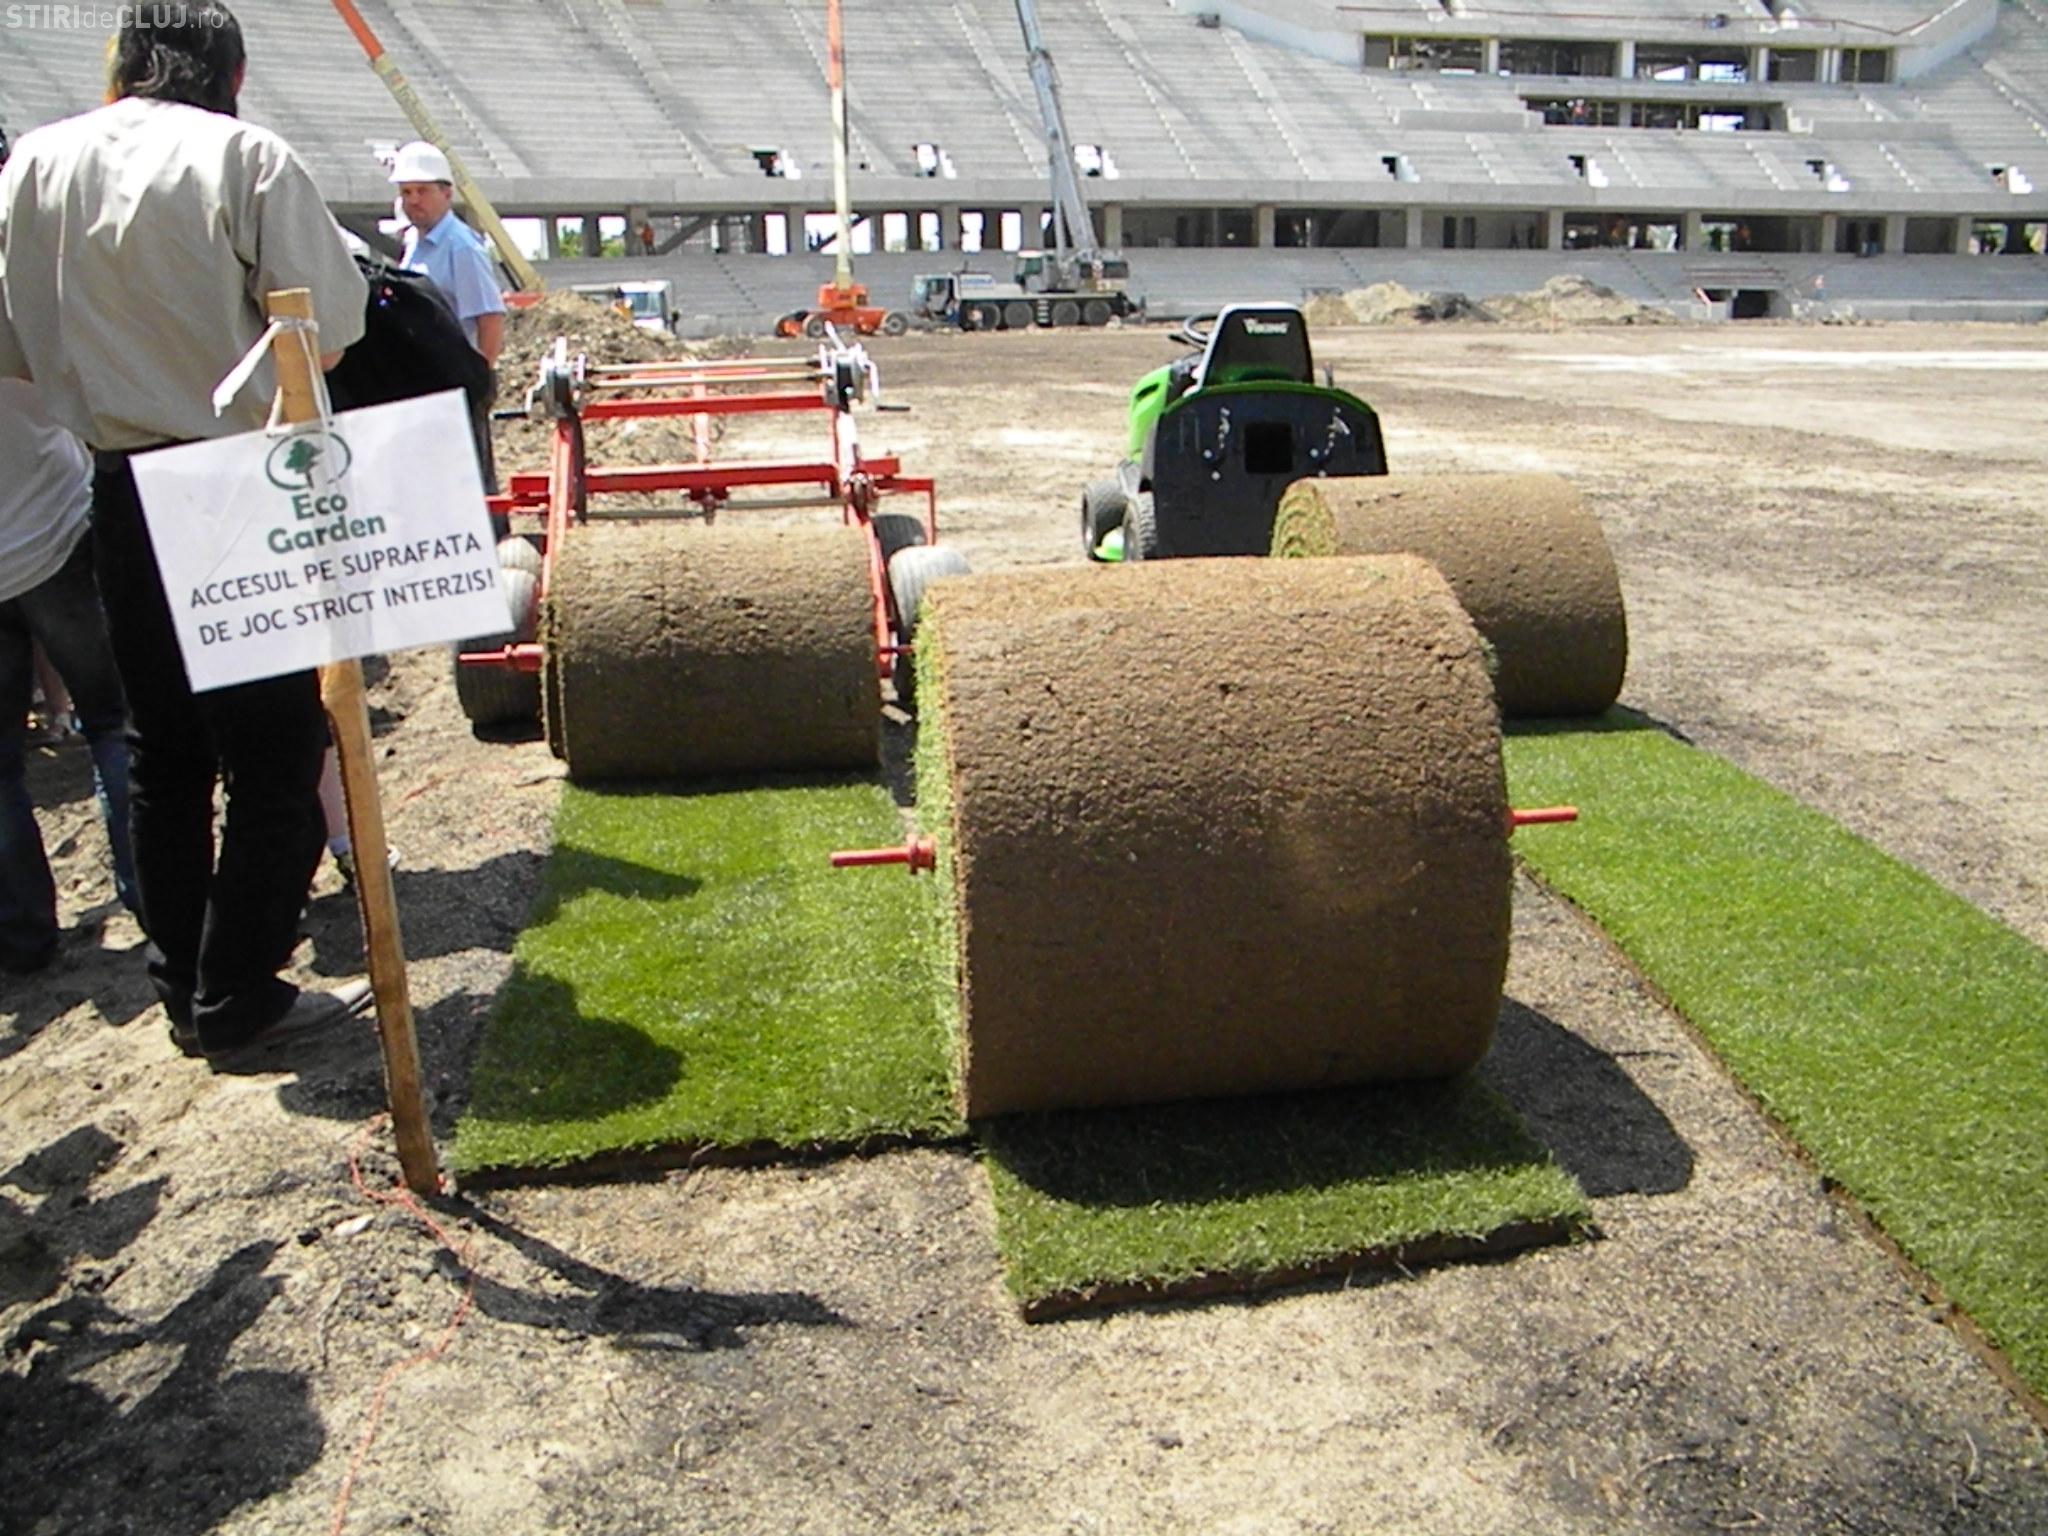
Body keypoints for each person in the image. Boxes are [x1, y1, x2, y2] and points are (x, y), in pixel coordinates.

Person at [0, 3, 371, 1061]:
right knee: (276, 750)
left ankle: (184, 983)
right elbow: (329, 329)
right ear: (231, 71)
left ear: (122, 64)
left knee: (167, 752)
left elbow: (14, 337)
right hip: (235, 479)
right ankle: (237, 990)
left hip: (115, 482)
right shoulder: (244, 154)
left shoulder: (36, 160)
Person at [0, 379, 136, 973]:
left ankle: (23, 936)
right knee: (116, 724)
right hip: (55, 529)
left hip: (51, 532)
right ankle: (154, 895)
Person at [389, 140, 506, 491]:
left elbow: (489, 318)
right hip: (422, 384)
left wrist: (479, 381)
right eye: (406, 192)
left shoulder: (462, 247)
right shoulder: (413, 243)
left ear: (446, 193)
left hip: (455, 384)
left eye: (422, 191)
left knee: (465, 484)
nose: (413, 200)